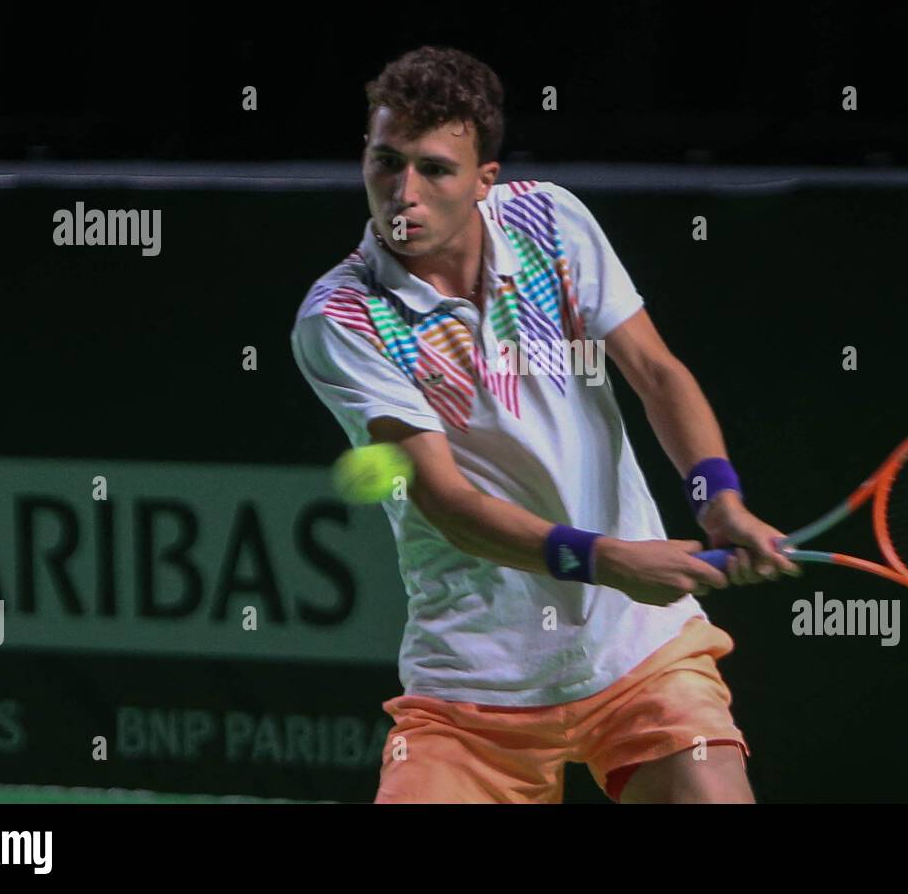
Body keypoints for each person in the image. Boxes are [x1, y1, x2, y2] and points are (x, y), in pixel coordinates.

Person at [290, 46, 799, 803]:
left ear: (484, 181)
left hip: (639, 654)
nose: (403, 193)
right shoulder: (342, 316)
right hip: (474, 683)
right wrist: (614, 561)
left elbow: (657, 373)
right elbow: (449, 506)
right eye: (385, 161)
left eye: (435, 169)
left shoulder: (549, 220)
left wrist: (717, 497)